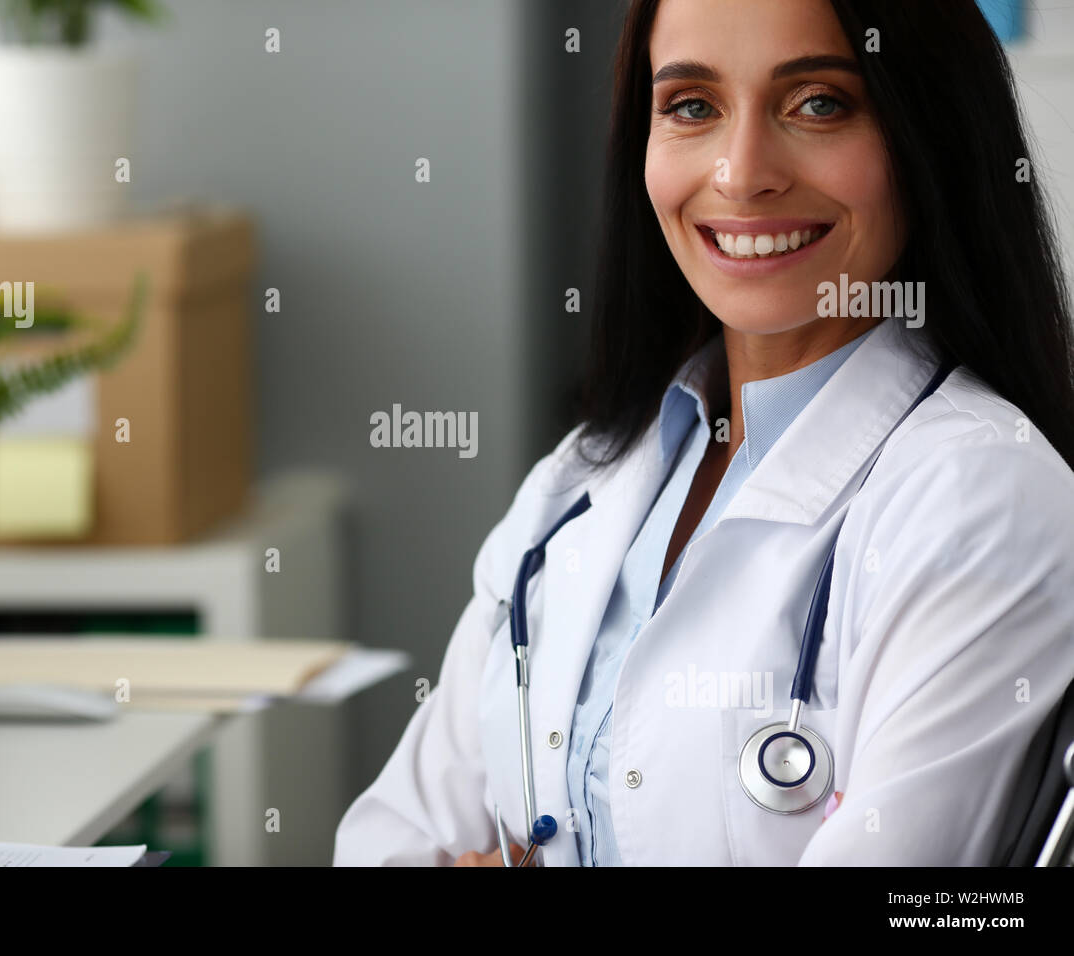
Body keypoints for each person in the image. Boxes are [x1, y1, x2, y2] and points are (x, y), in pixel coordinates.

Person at [334, 0, 1074, 866]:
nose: (740, 172)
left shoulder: (982, 493)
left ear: (930, 137)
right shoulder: (581, 479)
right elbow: (385, 841)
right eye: (692, 107)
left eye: (820, 103)